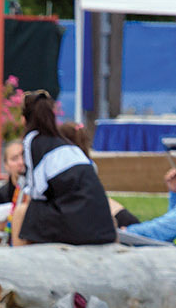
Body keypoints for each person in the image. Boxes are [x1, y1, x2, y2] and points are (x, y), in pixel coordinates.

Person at [9, 91, 116, 246]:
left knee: (21, 213)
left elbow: (36, 191)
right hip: (102, 223)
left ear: (25, 119)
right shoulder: (65, 143)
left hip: (76, 224)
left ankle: (20, 263)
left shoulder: (32, 140)